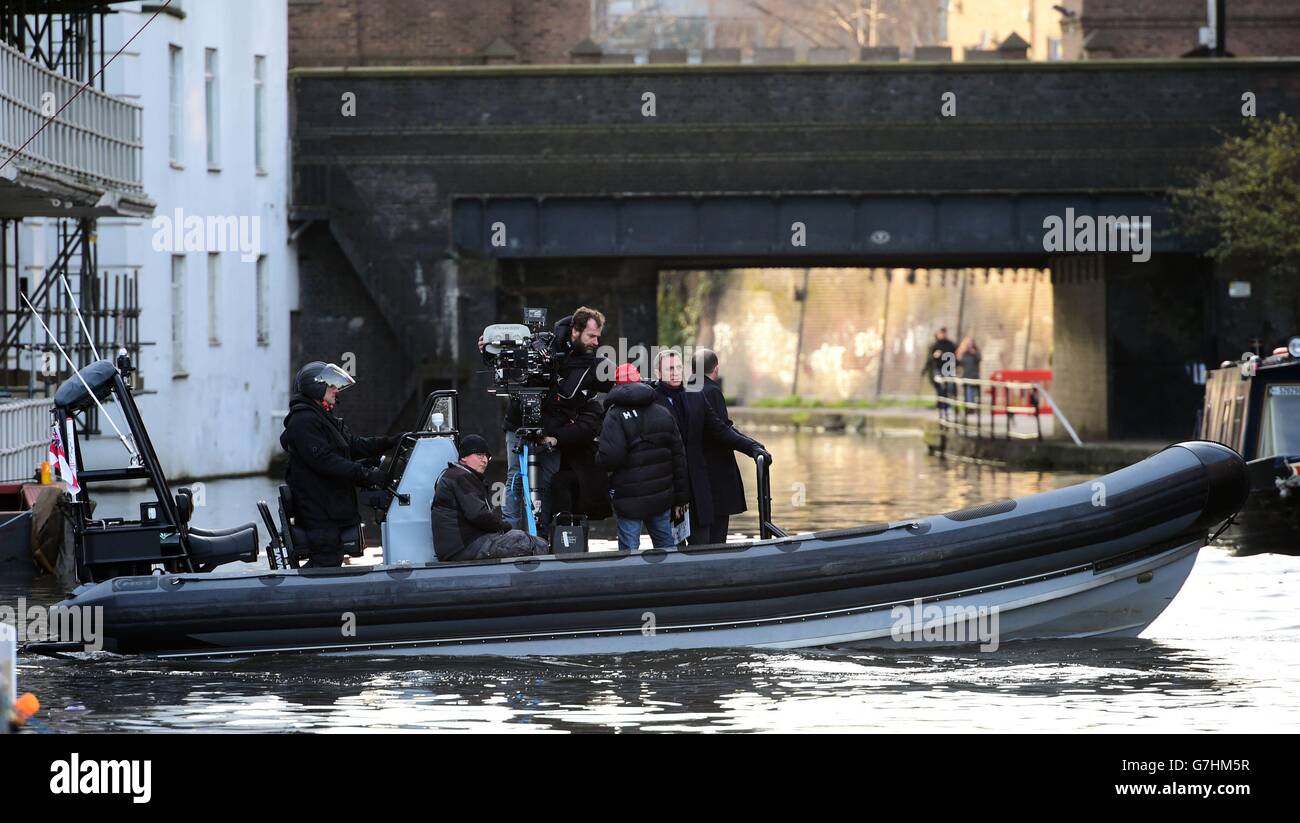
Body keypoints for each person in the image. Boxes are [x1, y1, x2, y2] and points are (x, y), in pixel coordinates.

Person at [481, 306, 613, 534]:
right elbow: (505, 364)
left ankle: (541, 533)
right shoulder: (542, 343)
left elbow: (613, 381)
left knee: (549, 480)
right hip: (519, 422)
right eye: (592, 336)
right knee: (515, 479)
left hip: (553, 432)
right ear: (576, 330)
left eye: (598, 337)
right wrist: (487, 351)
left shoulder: (592, 363)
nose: (596, 342)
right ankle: (510, 532)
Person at [280, 361, 403, 567]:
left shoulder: (323, 418)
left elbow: (352, 446)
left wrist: (389, 442)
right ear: (316, 387)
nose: (336, 391)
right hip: (320, 513)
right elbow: (327, 461)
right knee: (326, 562)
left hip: (330, 510)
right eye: (332, 386)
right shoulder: (303, 421)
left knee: (332, 559)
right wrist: (365, 474)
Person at [653, 349, 771, 546]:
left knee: (704, 546)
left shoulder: (695, 396)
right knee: (671, 550)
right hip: (668, 486)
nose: (675, 372)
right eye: (670, 368)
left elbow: (720, 429)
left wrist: (753, 448)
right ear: (658, 373)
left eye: (678, 367)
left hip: (697, 488)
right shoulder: (651, 400)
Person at [596, 364, 689, 551]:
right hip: (661, 495)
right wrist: (681, 498)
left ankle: (630, 579)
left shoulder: (615, 415)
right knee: (665, 546)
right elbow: (679, 458)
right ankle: (671, 576)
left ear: (616, 384)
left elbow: (611, 457)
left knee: (630, 551)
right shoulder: (663, 412)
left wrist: (598, 457)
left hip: (628, 498)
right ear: (640, 381)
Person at [430, 434, 550, 561]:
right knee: (522, 540)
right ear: (464, 457)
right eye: (480, 455)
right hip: (464, 547)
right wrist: (504, 527)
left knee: (523, 539)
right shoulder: (460, 477)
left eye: (487, 456)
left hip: (462, 546)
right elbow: (478, 515)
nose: (485, 460)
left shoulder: (458, 476)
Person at [922, 327, 958, 417]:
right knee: (940, 387)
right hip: (937, 369)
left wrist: (956, 367)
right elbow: (929, 358)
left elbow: (954, 357)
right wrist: (925, 368)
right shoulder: (934, 345)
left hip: (948, 368)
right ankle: (941, 404)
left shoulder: (950, 345)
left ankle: (947, 405)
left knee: (949, 388)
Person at [956, 335, 982, 414]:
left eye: (971, 342)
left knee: (974, 393)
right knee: (968, 392)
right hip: (966, 375)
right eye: (968, 343)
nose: (970, 344)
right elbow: (959, 364)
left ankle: (973, 408)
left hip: (974, 375)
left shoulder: (975, 352)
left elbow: (979, 359)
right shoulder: (963, 353)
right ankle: (969, 409)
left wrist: (974, 353)